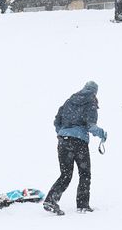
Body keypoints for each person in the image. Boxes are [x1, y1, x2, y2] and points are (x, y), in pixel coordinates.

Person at [43, 81, 107, 215]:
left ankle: (51, 200)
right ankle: (83, 205)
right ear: (95, 92)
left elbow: (56, 121)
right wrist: (102, 134)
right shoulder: (91, 103)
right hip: (79, 143)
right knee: (84, 174)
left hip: (63, 141)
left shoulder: (69, 101)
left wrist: (63, 132)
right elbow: (91, 126)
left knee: (65, 174)